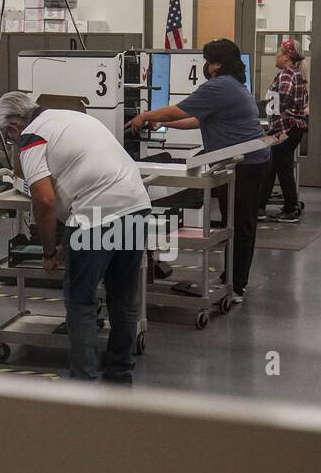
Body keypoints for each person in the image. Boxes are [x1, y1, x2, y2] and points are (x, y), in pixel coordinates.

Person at [0, 91, 151, 383]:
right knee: (124, 299)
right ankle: (119, 373)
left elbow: (43, 201)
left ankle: (84, 380)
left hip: (94, 218)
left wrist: (49, 251)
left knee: (81, 302)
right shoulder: (70, 117)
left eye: (8, 137)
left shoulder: (30, 138)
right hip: (136, 207)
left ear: (13, 128)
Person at [128, 38, 269, 302]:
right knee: (236, 223)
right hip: (246, 160)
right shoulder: (233, 86)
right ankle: (233, 279)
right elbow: (196, 120)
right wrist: (160, 123)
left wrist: (146, 116)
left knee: (239, 225)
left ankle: (236, 286)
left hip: (245, 163)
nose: (205, 66)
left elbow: (178, 110)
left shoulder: (219, 86)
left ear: (217, 64)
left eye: (208, 61)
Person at [259, 39, 308, 223]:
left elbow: (283, 98)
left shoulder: (286, 75)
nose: (276, 56)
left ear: (287, 57)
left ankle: (290, 209)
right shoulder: (296, 73)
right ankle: (259, 206)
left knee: (282, 167)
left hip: (284, 129)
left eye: (279, 52)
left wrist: (273, 128)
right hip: (290, 128)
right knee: (270, 165)